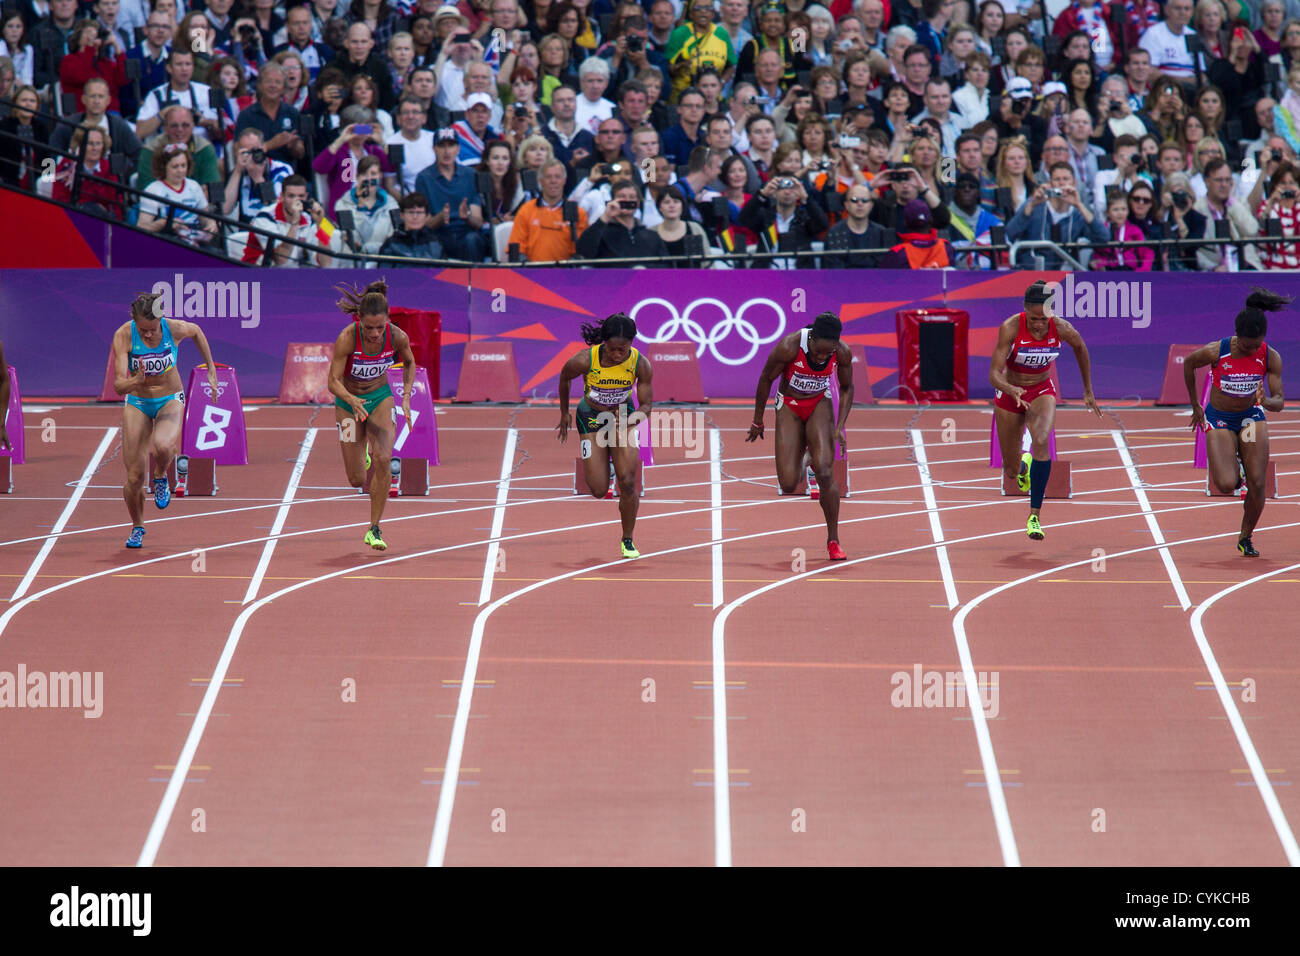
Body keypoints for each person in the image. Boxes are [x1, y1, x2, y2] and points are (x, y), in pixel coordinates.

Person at [988, 279, 1102, 542]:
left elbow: (1081, 348)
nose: (1039, 324)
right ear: (1024, 311)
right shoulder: (1010, 328)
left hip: (1041, 390)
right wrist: (1010, 388)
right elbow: (994, 374)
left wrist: (1088, 390)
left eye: (1043, 318)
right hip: (1009, 391)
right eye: (1033, 318)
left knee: (1041, 441)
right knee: (1011, 471)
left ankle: (1034, 516)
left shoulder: (1061, 328)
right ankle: (1023, 465)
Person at [1184, 289, 1289, 557]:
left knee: (1257, 484)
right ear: (1236, 336)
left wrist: (1266, 402)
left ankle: (1246, 536)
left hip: (1251, 417)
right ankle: (1236, 466)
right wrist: (1196, 405)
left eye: (1256, 345)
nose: (1251, 349)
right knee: (1226, 484)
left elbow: (1279, 400)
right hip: (1220, 418)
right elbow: (1188, 364)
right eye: (1246, 345)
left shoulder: (1269, 356)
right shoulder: (1215, 350)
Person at [110, 292, 219, 549]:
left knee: (163, 447)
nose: (147, 334)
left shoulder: (176, 328)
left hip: (170, 397)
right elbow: (117, 385)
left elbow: (198, 332)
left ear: (160, 319)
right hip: (137, 402)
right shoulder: (124, 335)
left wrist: (211, 369)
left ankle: (160, 475)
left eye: (152, 329)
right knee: (135, 477)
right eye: (142, 329)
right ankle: (137, 526)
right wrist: (134, 381)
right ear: (134, 320)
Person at [746, 311, 854, 561]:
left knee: (827, 473)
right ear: (811, 339)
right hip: (789, 406)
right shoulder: (789, 346)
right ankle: (808, 458)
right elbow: (765, 379)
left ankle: (833, 540)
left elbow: (847, 387)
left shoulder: (842, 353)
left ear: (836, 345)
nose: (821, 357)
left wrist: (839, 427)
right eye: (817, 352)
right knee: (788, 483)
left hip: (819, 404)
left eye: (827, 354)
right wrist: (758, 420)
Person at [326, 279, 417, 551]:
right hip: (347, 405)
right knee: (356, 479)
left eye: (380, 327)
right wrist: (351, 399)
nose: (375, 334)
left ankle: (373, 528)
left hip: (380, 398)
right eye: (369, 328)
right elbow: (332, 381)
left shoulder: (397, 337)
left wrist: (406, 396)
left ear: (388, 321)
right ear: (359, 321)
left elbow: (410, 362)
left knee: (384, 458)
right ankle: (360, 447)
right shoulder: (347, 337)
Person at [556, 312, 655, 559]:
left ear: (632, 343)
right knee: (599, 490)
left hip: (623, 415)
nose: (617, 354)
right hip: (591, 416)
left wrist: (626, 423)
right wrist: (564, 412)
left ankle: (628, 539)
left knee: (629, 482)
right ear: (604, 342)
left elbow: (646, 407)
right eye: (612, 349)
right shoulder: (583, 360)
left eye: (623, 349)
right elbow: (564, 378)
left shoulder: (640, 364)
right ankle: (607, 466)